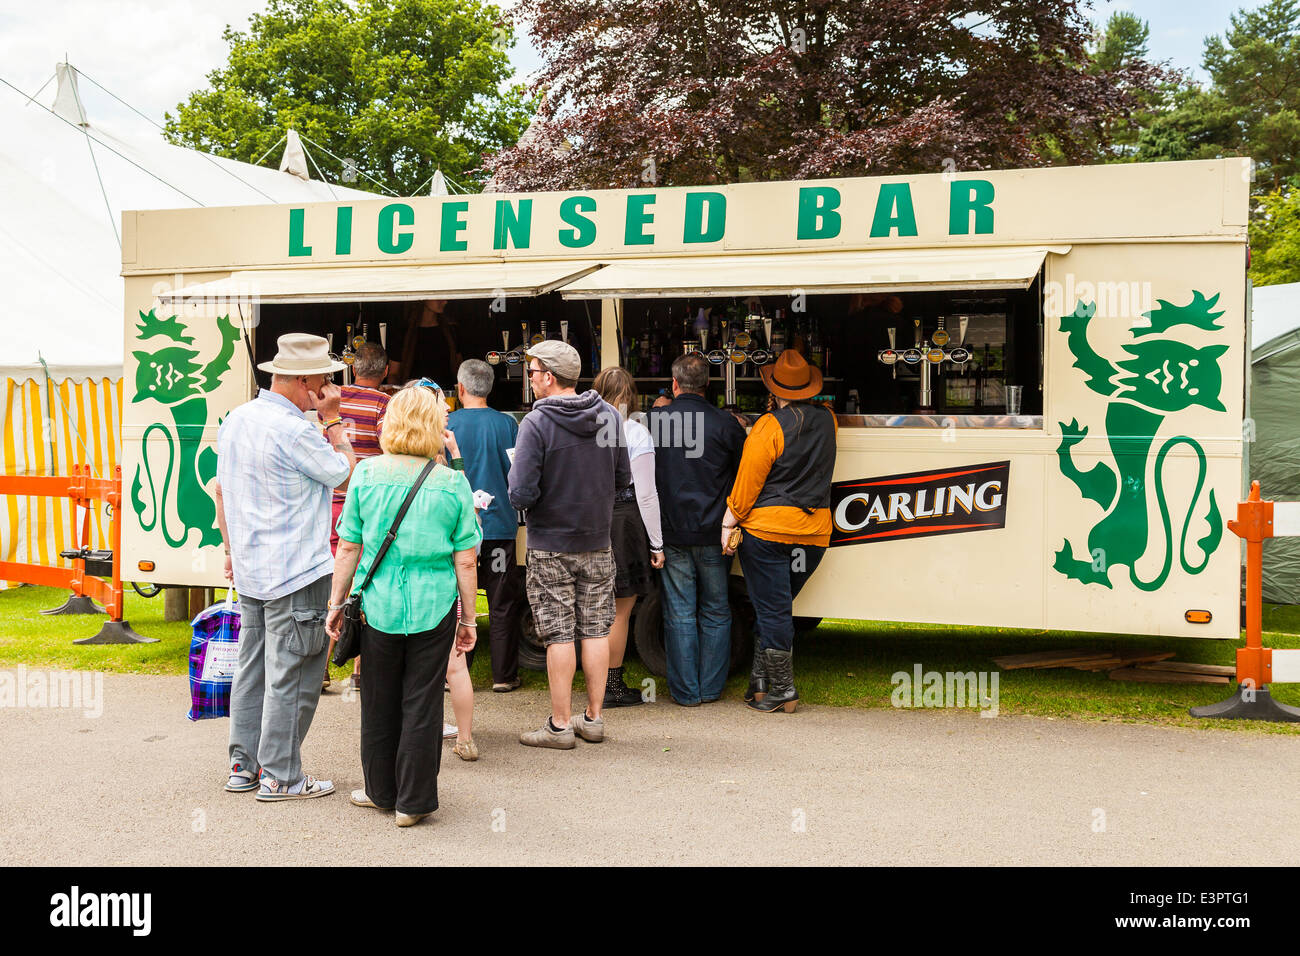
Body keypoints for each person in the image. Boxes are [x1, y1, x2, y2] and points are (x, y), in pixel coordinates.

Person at [326, 385, 481, 826]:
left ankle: (380, 791)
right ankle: (413, 803)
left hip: (377, 605)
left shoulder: (367, 475)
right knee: (423, 701)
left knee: (378, 699)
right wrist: (468, 618)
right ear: (435, 426)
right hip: (435, 605)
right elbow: (466, 559)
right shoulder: (452, 482)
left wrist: (336, 604)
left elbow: (349, 548)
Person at [214, 333, 356, 800]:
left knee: (253, 668)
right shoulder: (295, 430)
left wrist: (232, 551)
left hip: (253, 568)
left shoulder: (237, 419)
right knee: (294, 671)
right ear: (303, 381)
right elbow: (345, 473)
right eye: (324, 381)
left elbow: (223, 491)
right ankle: (282, 775)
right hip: (297, 569)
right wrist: (333, 422)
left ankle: (244, 765)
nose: (327, 389)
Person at [508, 341, 630, 749]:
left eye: (533, 370)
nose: (529, 377)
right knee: (596, 629)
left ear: (549, 376)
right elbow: (622, 479)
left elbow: (521, 493)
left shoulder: (535, 424)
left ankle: (560, 725)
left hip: (549, 543)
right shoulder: (610, 415)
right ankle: (593, 719)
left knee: (559, 634)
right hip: (598, 540)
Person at [721, 349, 837, 714]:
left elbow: (748, 483)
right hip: (814, 533)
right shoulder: (829, 420)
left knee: (771, 610)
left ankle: (784, 690)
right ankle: (759, 684)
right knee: (776, 608)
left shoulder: (769, 426)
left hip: (769, 533)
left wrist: (729, 520)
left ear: (773, 387)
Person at [648, 353, 746, 706]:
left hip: (671, 533)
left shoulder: (656, 422)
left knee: (678, 611)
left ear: (675, 385)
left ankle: (686, 692)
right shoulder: (726, 425)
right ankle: (710, 689)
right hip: (716, 533)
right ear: (709, 385)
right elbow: (743, 477)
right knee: (718, 610)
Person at [447, 359, 527, 693]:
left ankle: (455, 672)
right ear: (490, 388)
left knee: (455, 601)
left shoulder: (446, 422)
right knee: (501, 601)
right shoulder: (507, 424)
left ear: (461, 388)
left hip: (456, 527)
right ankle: (503, 675)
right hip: (498, 527)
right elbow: (517, 472)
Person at [592, 366, 664, 707]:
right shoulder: (635, 432)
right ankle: (612, 687)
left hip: (586, 520)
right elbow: (647, 495)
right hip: (623, 522)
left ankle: (592, 682)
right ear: (629, 396)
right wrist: (657, 543)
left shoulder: (579, 428)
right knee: (619, 611)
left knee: (593, 608)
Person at [329, 341, 391, 693]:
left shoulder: (333, 399)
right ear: (384, 372)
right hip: (366, 503)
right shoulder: (384, 403)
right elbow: (389, 446)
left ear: (354, 369)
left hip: (332, 501)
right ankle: (358, 668)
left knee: (332, 582)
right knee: (362, 584)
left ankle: (322, 666)